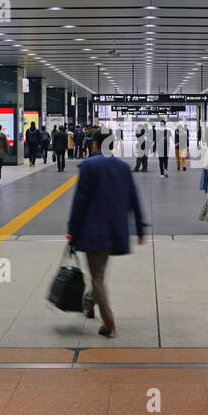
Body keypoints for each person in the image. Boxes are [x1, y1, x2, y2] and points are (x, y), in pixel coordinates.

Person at [66, 128, 147, 338]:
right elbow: (134, 198)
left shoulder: (89, 166)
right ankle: (89, 303)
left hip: (93, 231)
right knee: (99, 273)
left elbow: (80, 201)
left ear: (95, 145)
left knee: (97, 277)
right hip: (116, 230)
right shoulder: (122, 167)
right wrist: (140, 227)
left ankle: (108, 321)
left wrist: (71, 230)